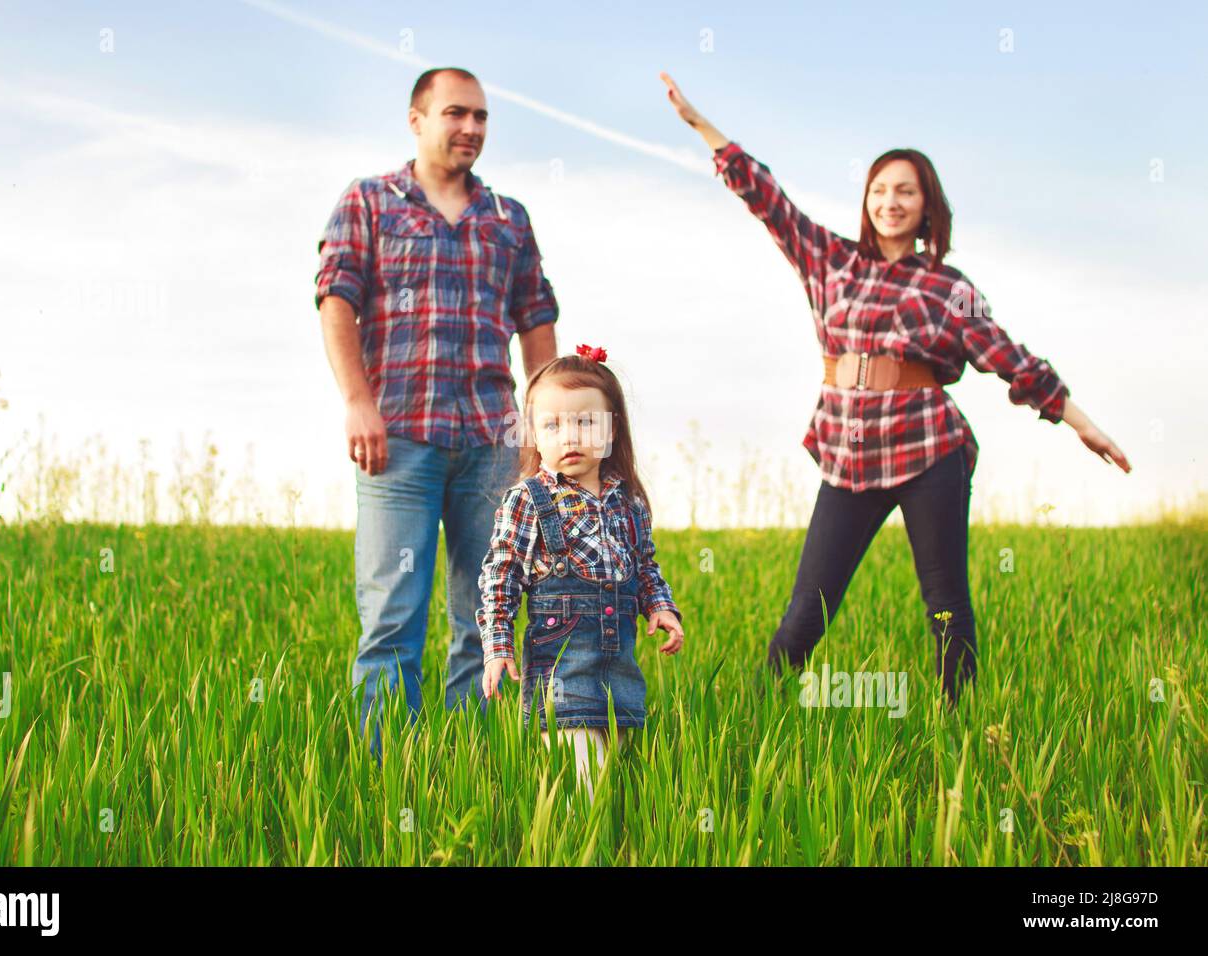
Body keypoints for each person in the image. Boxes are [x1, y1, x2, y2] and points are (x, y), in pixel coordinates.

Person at [660, 71, 1131, 706]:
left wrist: (1079, 420)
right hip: (849, 453)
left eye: (905, 190)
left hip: (926, 449)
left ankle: (957, 724)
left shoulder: (949, 286)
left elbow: (1006, 356)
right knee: (808, 609)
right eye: (880, 189)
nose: (890, 200)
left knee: (944, 604)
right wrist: (700, 124)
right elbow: (768, 199)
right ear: (867, 200)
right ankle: (756, 714)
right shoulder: (832, 260)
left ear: (925, 204)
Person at [315, 67, 559, 755]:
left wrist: (541, 428)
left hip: (492, 442)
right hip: (399, 442)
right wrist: (358, 402)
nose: (472, 129)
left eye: (482, 117)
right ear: (417, 119)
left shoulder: (508, 219)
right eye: (457, 113)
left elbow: (536, 321)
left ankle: (472, 772)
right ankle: (390, 779)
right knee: (392, 618)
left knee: (487, 618)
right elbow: (337, 303)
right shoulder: (369, 202)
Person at [477, 345, 685, 801]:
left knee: (618, 781)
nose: (569, 435)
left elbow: (645, 566)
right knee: (581, 787)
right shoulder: (529, 500)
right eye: (552, 424)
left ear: (612, 431)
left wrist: (661, 607)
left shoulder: (628, 503)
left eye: (586, 422)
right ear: (534, 434)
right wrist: (498, 644)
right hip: (563, 680)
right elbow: (501, 576)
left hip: (621, 675)